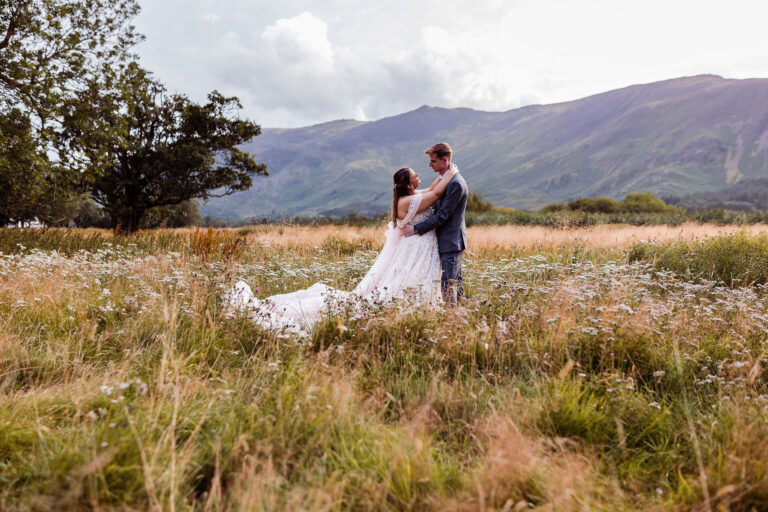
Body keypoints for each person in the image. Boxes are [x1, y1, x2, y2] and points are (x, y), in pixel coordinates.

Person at [225, 162, 461, 333]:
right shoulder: (409, 201)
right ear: (409, 184)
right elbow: (437, 192)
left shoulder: (409, 196)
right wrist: (453, 172)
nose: (419, 175)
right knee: (399, 285)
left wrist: (445, 171)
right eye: (415, 175)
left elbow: (431, 188)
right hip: (414, 249)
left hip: (417, 249)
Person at [401, 142, 468, 304]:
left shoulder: (455, 184)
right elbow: (433, 192)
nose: (429, 165)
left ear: (444, 161)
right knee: (455, 283)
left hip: (451, 241)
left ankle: (451, 319)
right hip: (447, 241)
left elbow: (443, 216)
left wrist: (415, 229)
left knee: (448, 285)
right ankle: (461, 316)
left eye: (433, 161)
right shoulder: (445, 180)